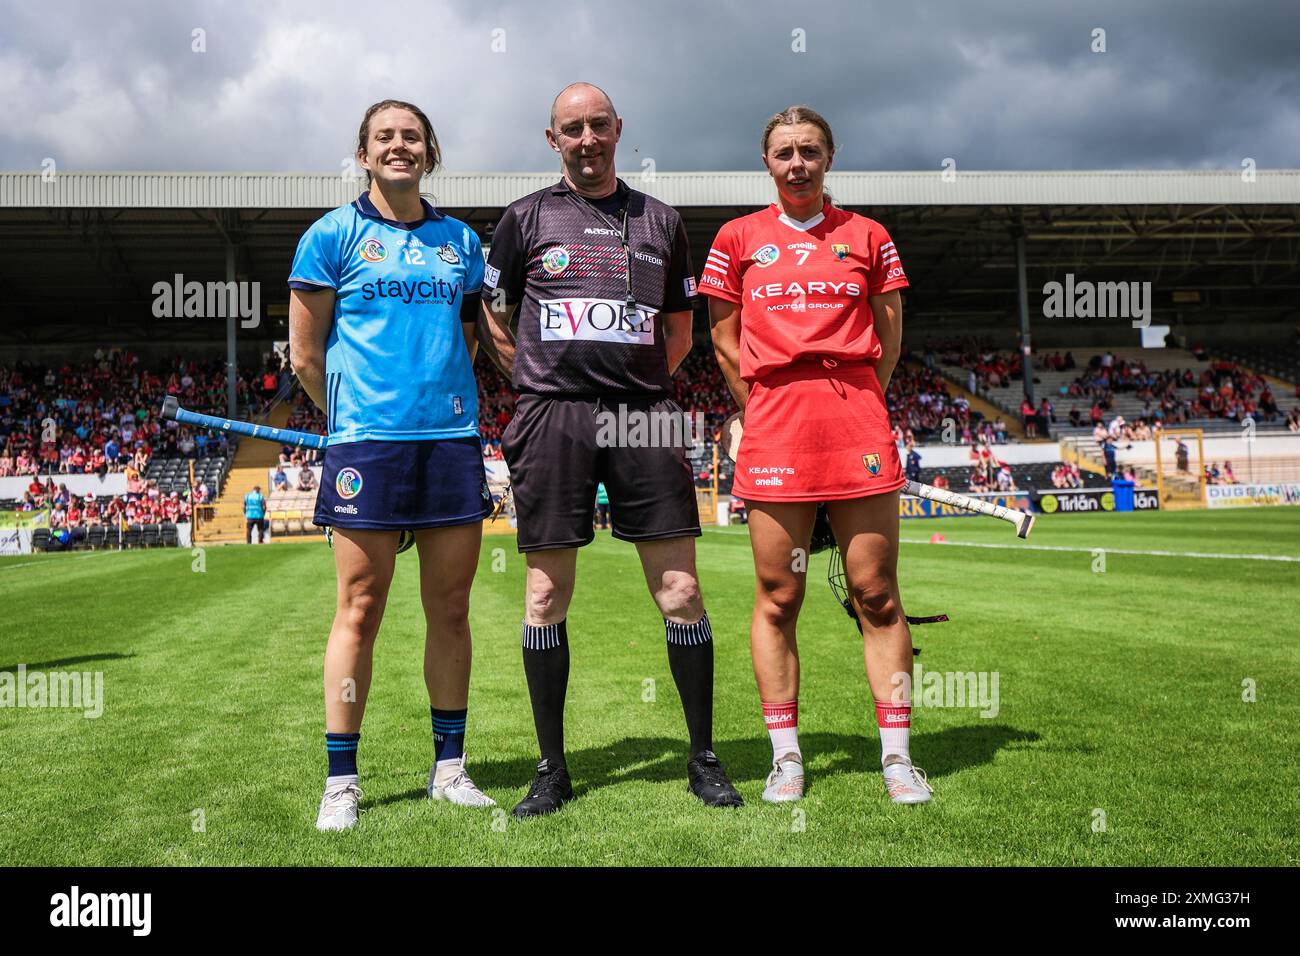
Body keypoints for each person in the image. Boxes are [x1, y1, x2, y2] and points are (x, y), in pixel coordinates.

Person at [479, 82, 741, 816]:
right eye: (572, 128)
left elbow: (680, 329)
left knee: (681, 591)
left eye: (598, 125)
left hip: (644, 414)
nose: (587, 138)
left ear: (618, 129)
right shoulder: (525, 217)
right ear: (552, 138)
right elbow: (495, 317)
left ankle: (703, 757)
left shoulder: (661, 220)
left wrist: (638, 385)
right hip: (552, 416)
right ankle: (552, 768)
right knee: (543, 594)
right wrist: (536, 381)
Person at [702, 105, 931, 805]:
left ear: (829, 157)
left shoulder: (868, 235)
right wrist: (767, 408)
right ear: (766, 163)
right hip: (775, 428)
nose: (796, 163)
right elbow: (724, 341)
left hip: (856, 421)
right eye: (783, 153)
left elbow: (888, 340)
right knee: (779, 595)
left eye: (809, 151)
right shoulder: (738, 238)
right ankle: (786, 758)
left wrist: (854, 405)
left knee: (878, 594)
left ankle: (897, 759)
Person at [289, 99, 494, 832]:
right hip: (365, 447)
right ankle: (342, 779)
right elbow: (306, 355)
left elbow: (469, 342)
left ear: (429, 153)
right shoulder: (330, 236)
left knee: (450, 608)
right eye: (385, 137)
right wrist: (353, 418)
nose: (398, 146)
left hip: (449, 444)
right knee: (360, 609)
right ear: (365, 153)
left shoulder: (460, 242)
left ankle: (450, 768)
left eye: (411, 136)